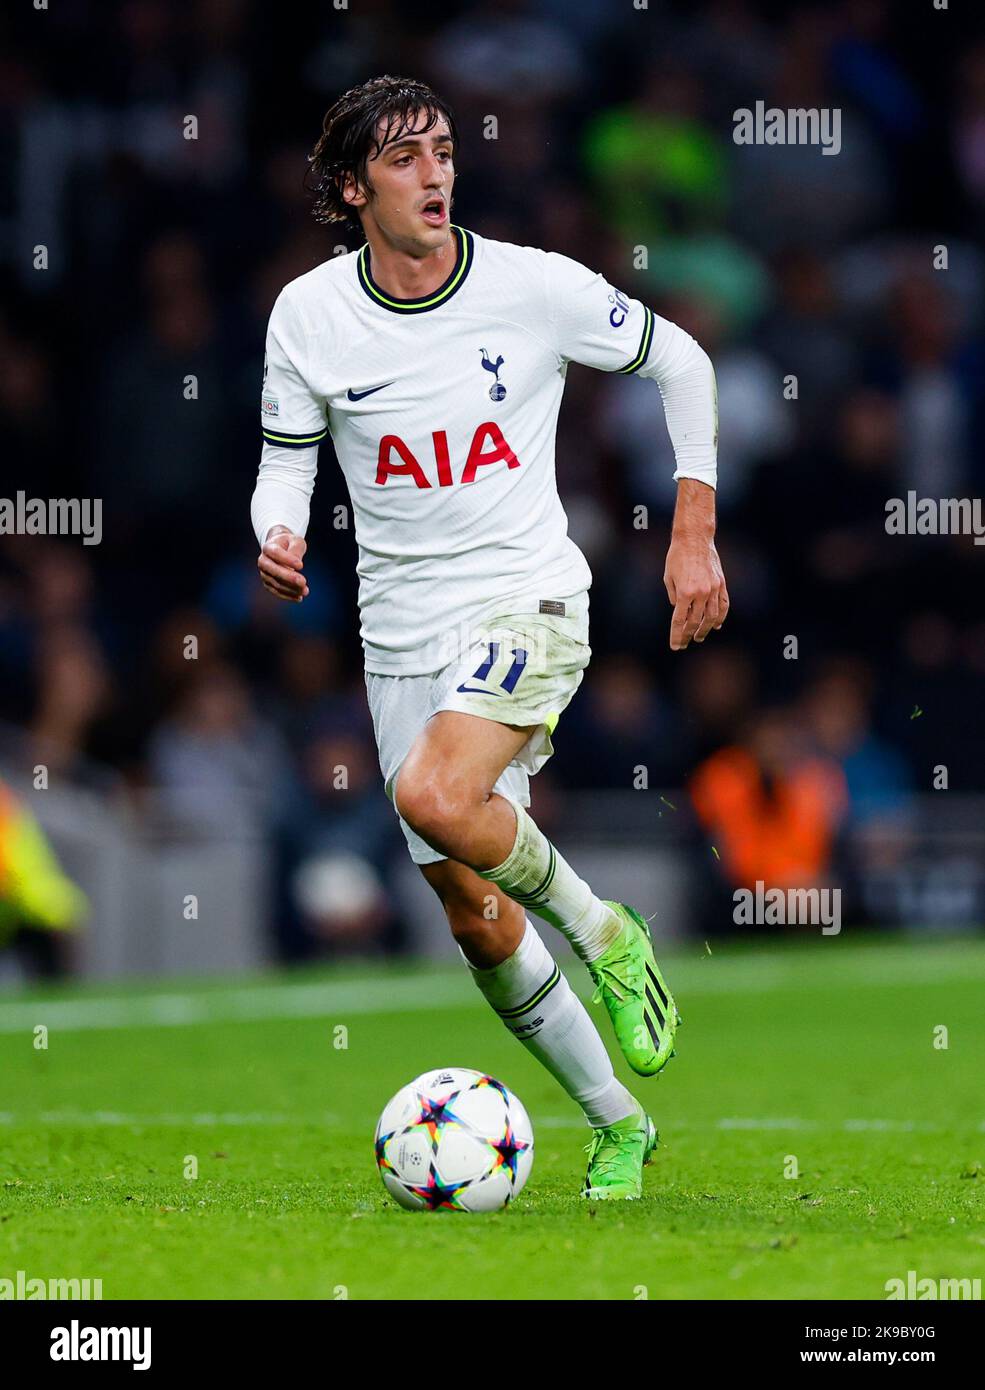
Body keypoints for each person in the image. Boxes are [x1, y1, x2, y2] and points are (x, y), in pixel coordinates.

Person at [251, 76, 727, 1199]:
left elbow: (682, 362)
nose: (436, 175)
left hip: (528, 597)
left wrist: (693, 531)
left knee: (432, 796)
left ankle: (605, 932)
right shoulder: (308, 315)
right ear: (349, 186)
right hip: (398, 633)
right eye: (407, 158)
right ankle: (617, 1122)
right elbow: (285, 457)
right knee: (470, 907)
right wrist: (275, 526)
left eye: (446, 152)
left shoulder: (532, 286)